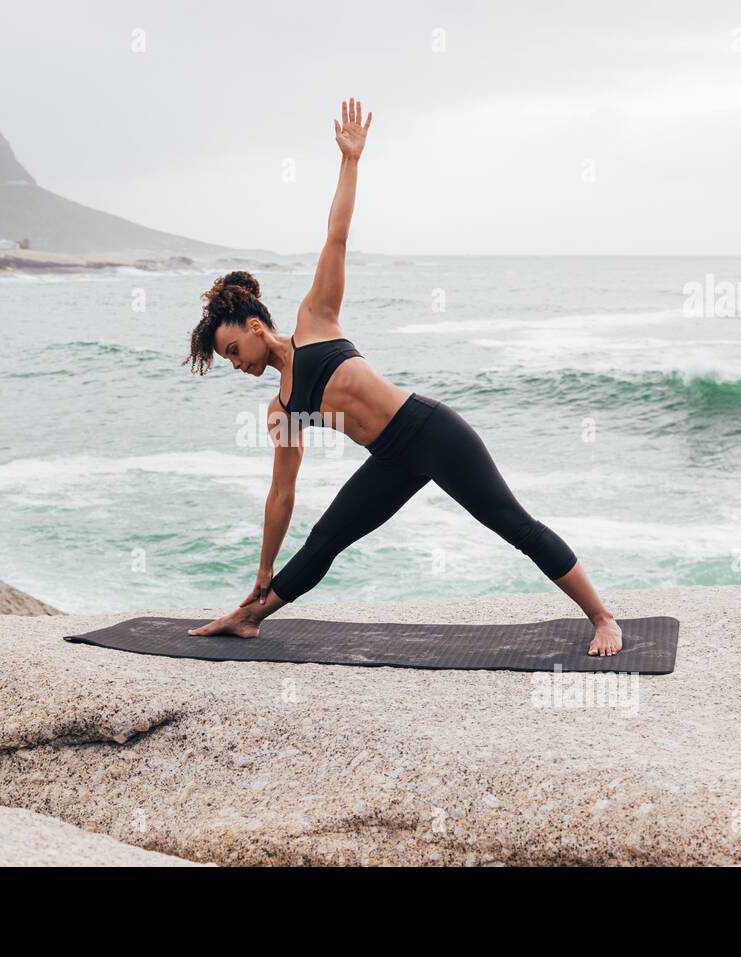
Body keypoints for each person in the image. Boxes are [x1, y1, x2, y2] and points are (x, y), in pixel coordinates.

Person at [181, 98, 622, 656]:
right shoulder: (281, 410)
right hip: (390, 459)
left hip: (431, 432)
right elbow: (281, 494)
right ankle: (250, 616)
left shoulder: (315, 320)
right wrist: (264, 568)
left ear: (253, 324)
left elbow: (336, 235)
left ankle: (603, 616)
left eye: (233, 348)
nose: (237, 362)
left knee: (515, 525)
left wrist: (350, 161)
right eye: (227, 360)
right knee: (325, 541)